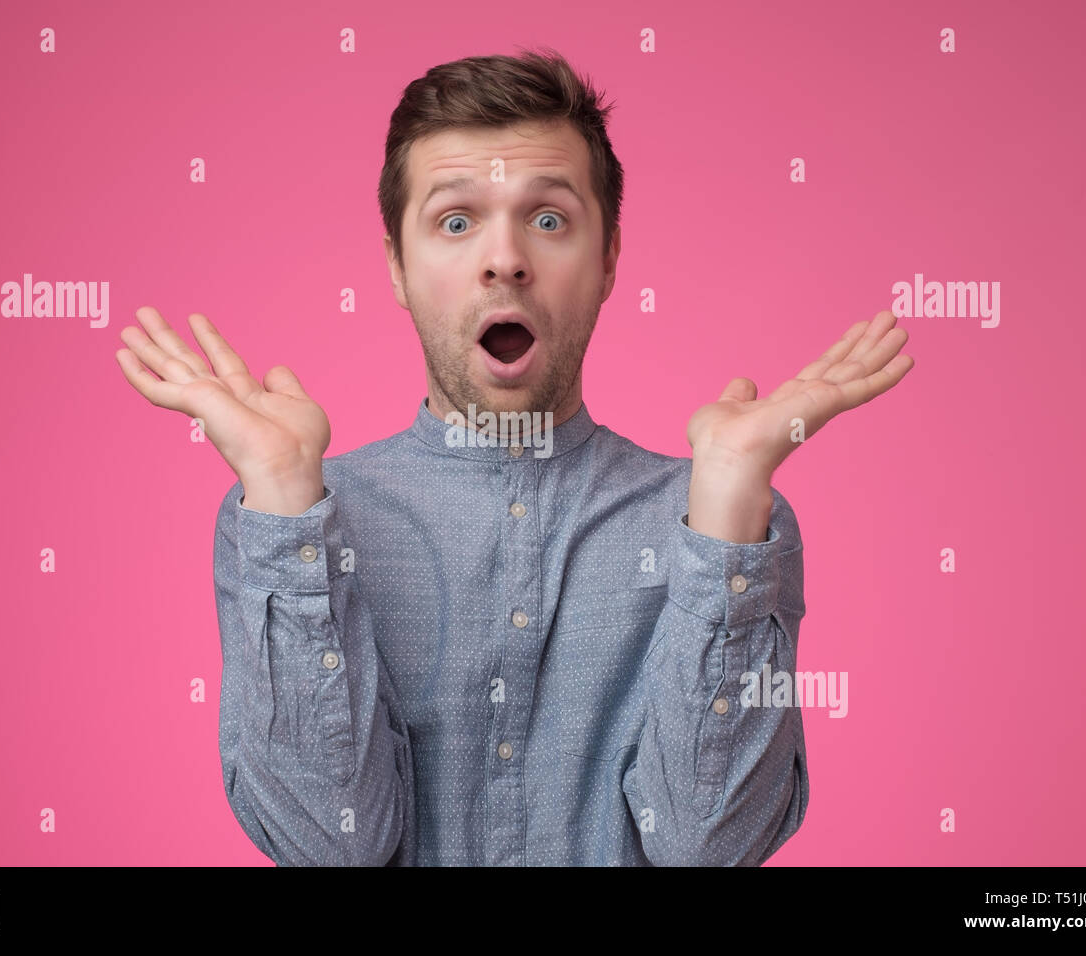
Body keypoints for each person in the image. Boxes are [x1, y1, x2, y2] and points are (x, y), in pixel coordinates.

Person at [115, 47, 913, 866]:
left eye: (549, 218)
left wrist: (731, 508)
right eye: (456, 222)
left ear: (607, 261)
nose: (505, 259)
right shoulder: (290, 523)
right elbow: (328, 848)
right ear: (396, 265)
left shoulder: (727, 521)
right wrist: (284, 496)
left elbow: (706, 849)